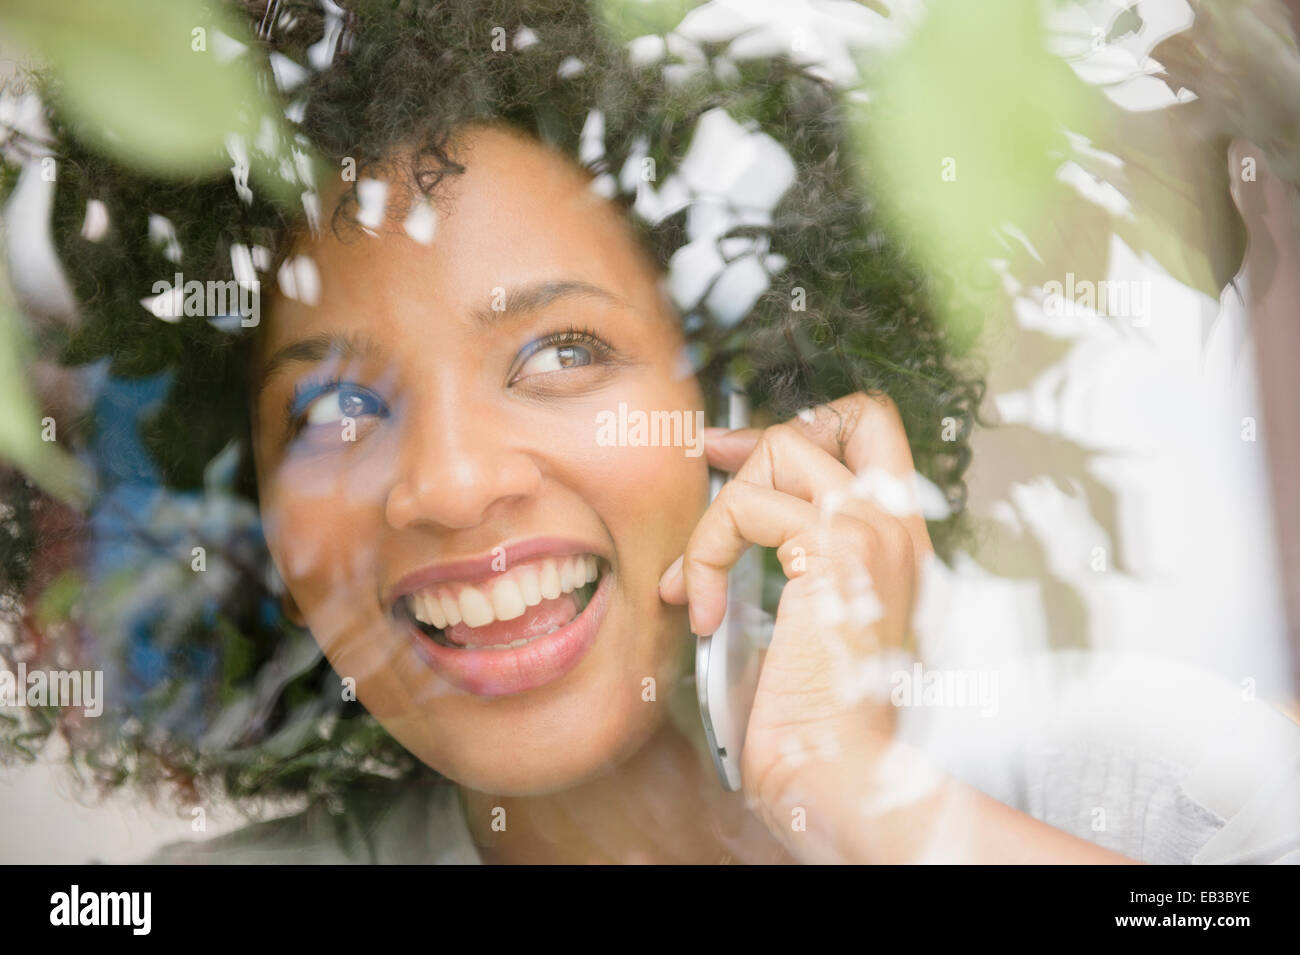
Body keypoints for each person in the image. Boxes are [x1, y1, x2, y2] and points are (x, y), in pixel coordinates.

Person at [5, 0, 1297, 864]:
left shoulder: (1149, 787)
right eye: (337, 407)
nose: (450, 487)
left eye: (562, 351)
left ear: (738, 404)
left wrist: (866, 804)